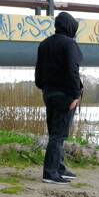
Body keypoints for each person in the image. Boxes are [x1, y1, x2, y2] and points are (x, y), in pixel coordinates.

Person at [35, 11, 83, 185]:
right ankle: (50, 172)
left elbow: (38, 73)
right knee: (58, 135)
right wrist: (75, 94)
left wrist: (45, 88)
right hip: (65, 95)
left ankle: (60, 168)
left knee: (55, 133)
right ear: (70, 27)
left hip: (49, 94)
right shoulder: (69, 44)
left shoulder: (44, 44)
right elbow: (73, 70)